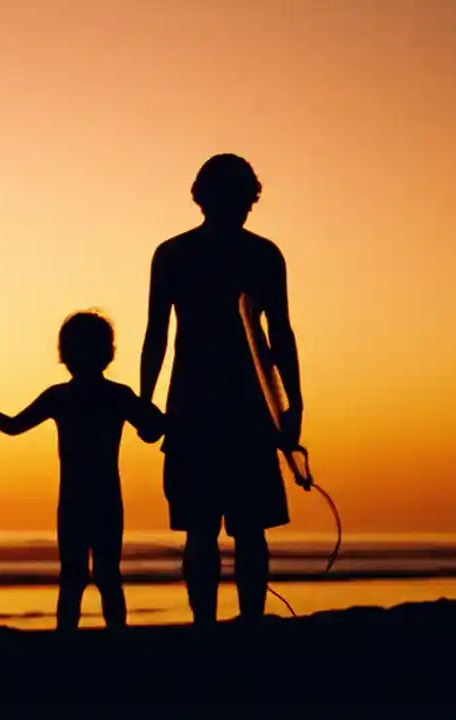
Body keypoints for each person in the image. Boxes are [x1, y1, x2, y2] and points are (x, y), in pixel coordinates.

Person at [139, 154, 304, 627]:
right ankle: (220, 623)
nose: (237, 206)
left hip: (235, 406)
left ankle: (226, 623)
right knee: (212, 528)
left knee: (224, 528)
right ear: (205, 198)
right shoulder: (176, 254)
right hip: (202, 405)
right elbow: (157, 334)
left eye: (240, 197)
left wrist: (292, 404)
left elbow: (281, 335)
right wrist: (148, 401)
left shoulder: (254, 255)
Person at [0, 312, 163, 632]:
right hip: (105, 498)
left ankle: (68, 642)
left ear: (64, 355)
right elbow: (154, 428)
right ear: (108, 353)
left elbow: (12, 426)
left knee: (73, 578)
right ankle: (116, 639)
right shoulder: (116, 396)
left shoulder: (61, 396)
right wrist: (164, 418)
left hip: (74, 500)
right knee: (107, 576)